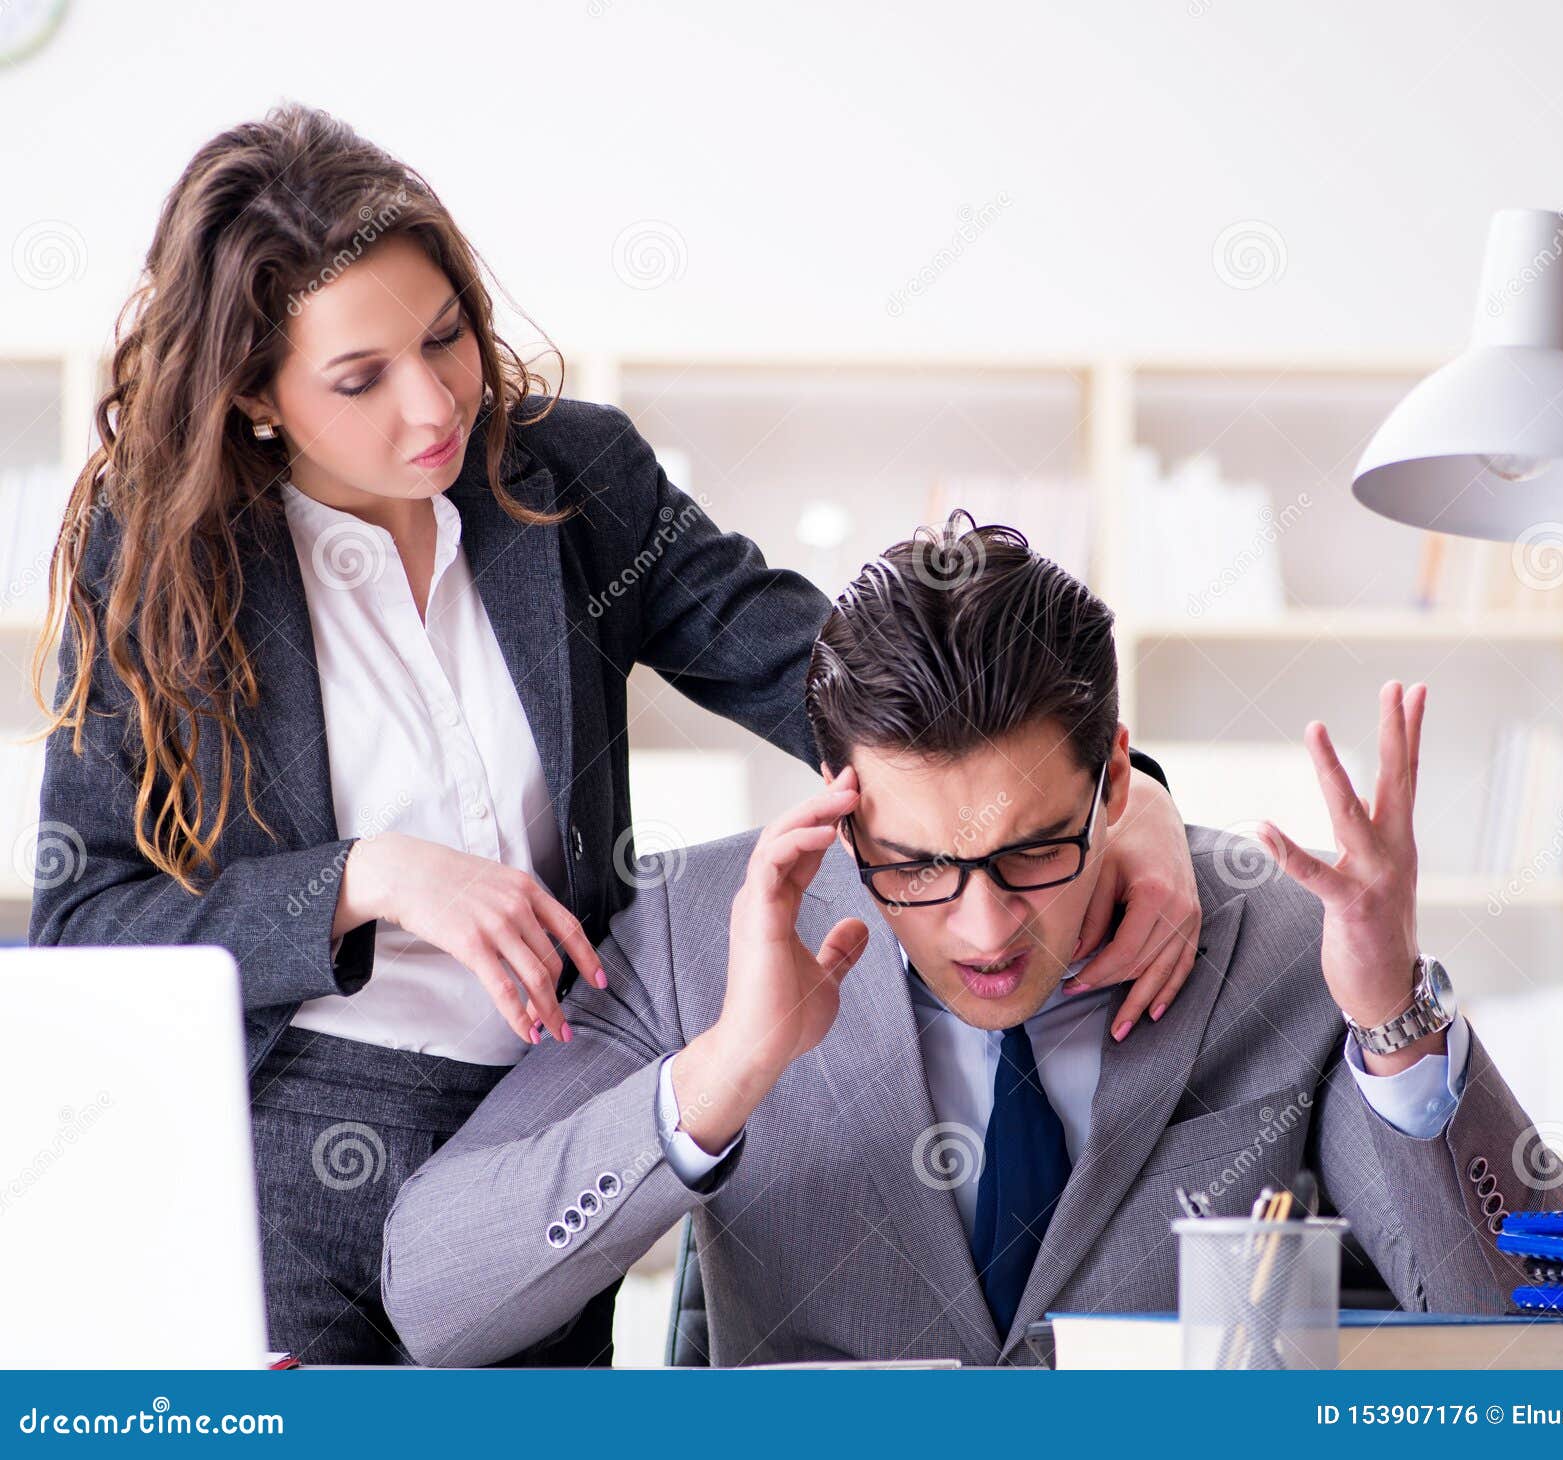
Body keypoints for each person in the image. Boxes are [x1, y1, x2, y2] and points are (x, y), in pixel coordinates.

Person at [25, 105, 1200, 1366]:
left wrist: (1137, 808)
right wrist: (371, 877)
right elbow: (85, 917)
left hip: (548, 1129)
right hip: (288, 1145)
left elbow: (857, 690)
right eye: (360, 378)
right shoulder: (161, 560)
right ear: (254, 391)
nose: (433, 405)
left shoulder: (572, 483)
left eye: (445, 337)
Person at [382, 513, 1563, 1369]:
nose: (983, 924)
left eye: (1029, 852)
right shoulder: (701, 934)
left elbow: (1541, 1344)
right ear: (839, 796)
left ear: (1117, 776)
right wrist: (724, 1070)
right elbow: (435, 1297)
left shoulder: (1288, 940)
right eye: (913, 864)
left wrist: (1389, 1013)